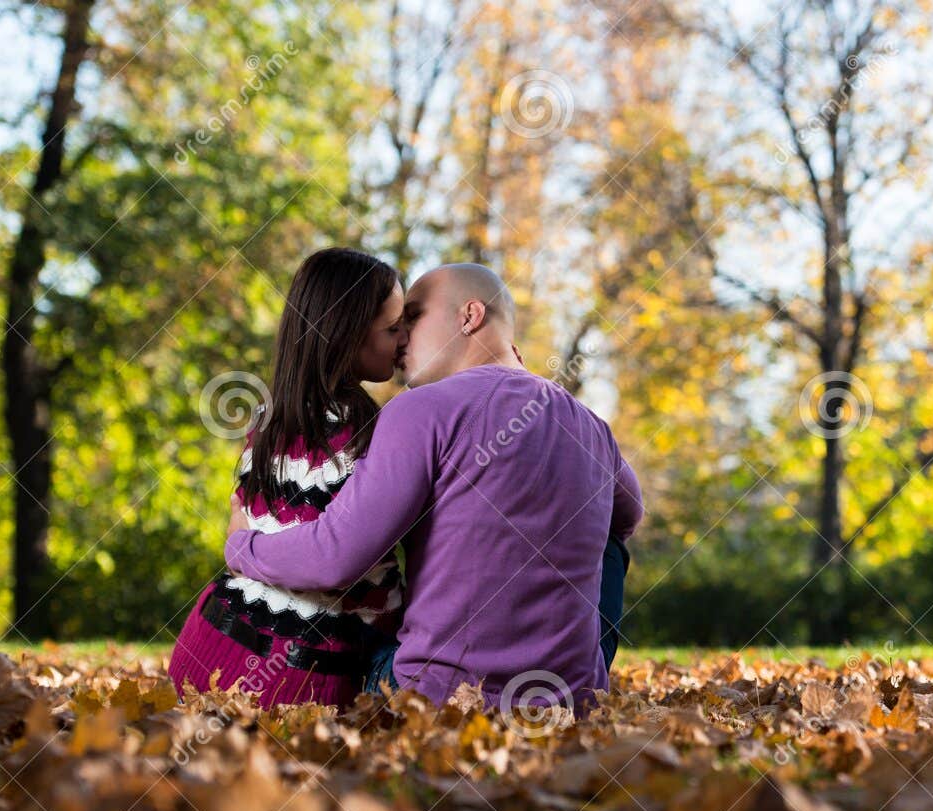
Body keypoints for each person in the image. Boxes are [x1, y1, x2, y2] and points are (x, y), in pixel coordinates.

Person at [224, 263, 642, 713]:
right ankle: (576, 676)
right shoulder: (591, 427)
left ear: (470, 316)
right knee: (610, 547)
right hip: (568, 704)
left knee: (339, 606)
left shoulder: (419, 411)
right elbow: (629, 513)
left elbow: (335, 558)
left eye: (414, 317)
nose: (400, 337)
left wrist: (241, 547)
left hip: (434, 700)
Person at [168, 247, 405, 708]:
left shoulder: (265, 419)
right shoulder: (363, 428)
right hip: (296, 671)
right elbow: (360, 574)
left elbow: (248, 522)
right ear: (349, 334)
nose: (404, 339)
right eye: (392, 328)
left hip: (206, 643)